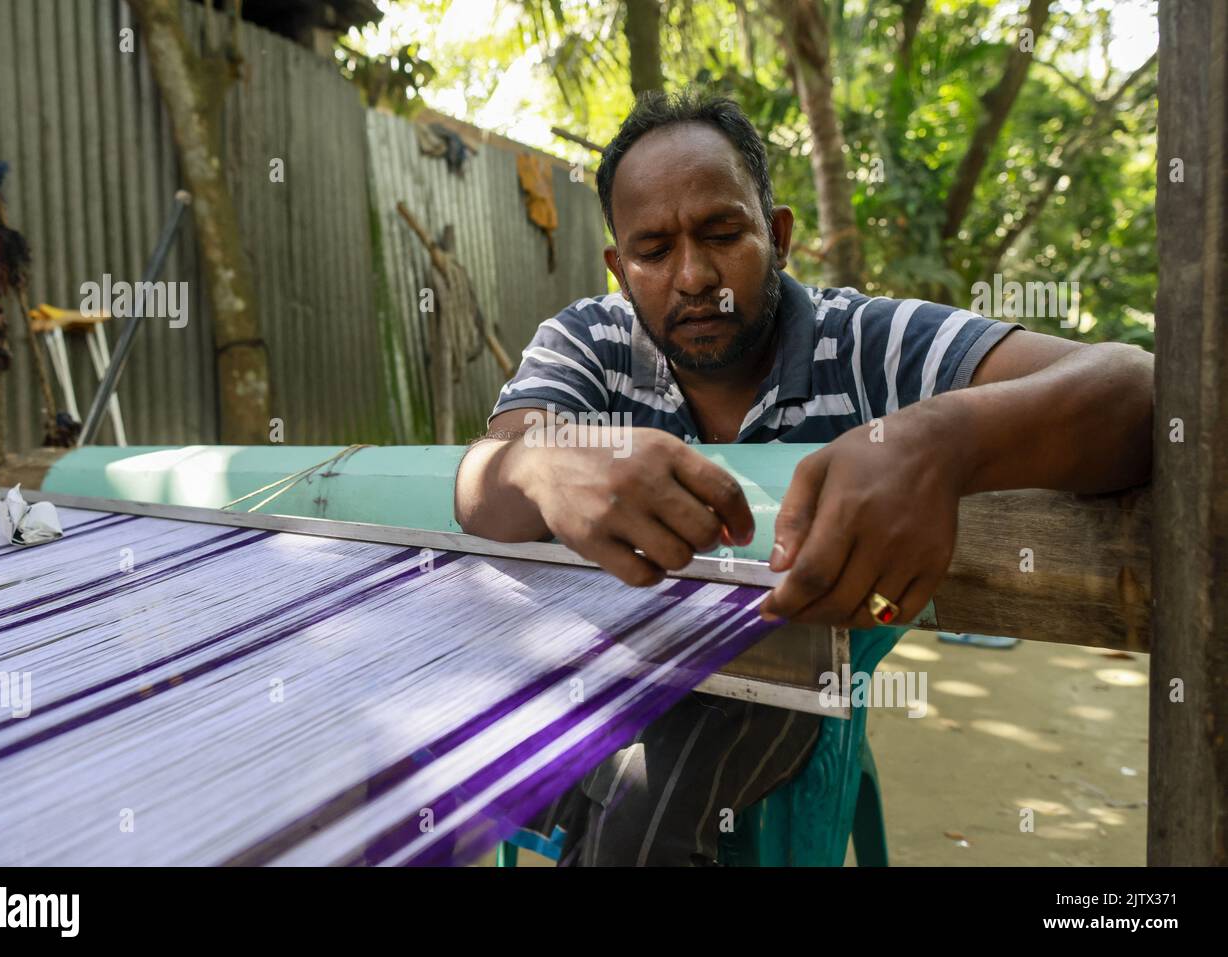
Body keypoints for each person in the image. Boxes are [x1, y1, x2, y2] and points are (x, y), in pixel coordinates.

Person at [453, 90, 1153, 866]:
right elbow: (486, 480)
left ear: (778, 235)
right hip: (611, 651)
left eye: (723, 233)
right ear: (621, 269)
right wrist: (549, 461)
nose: (693, 276)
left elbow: (1137, 389)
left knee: (638, 814)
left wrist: (943, 439)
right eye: (653, 251)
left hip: (777, 665)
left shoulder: (863, 342)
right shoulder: (589, 340)